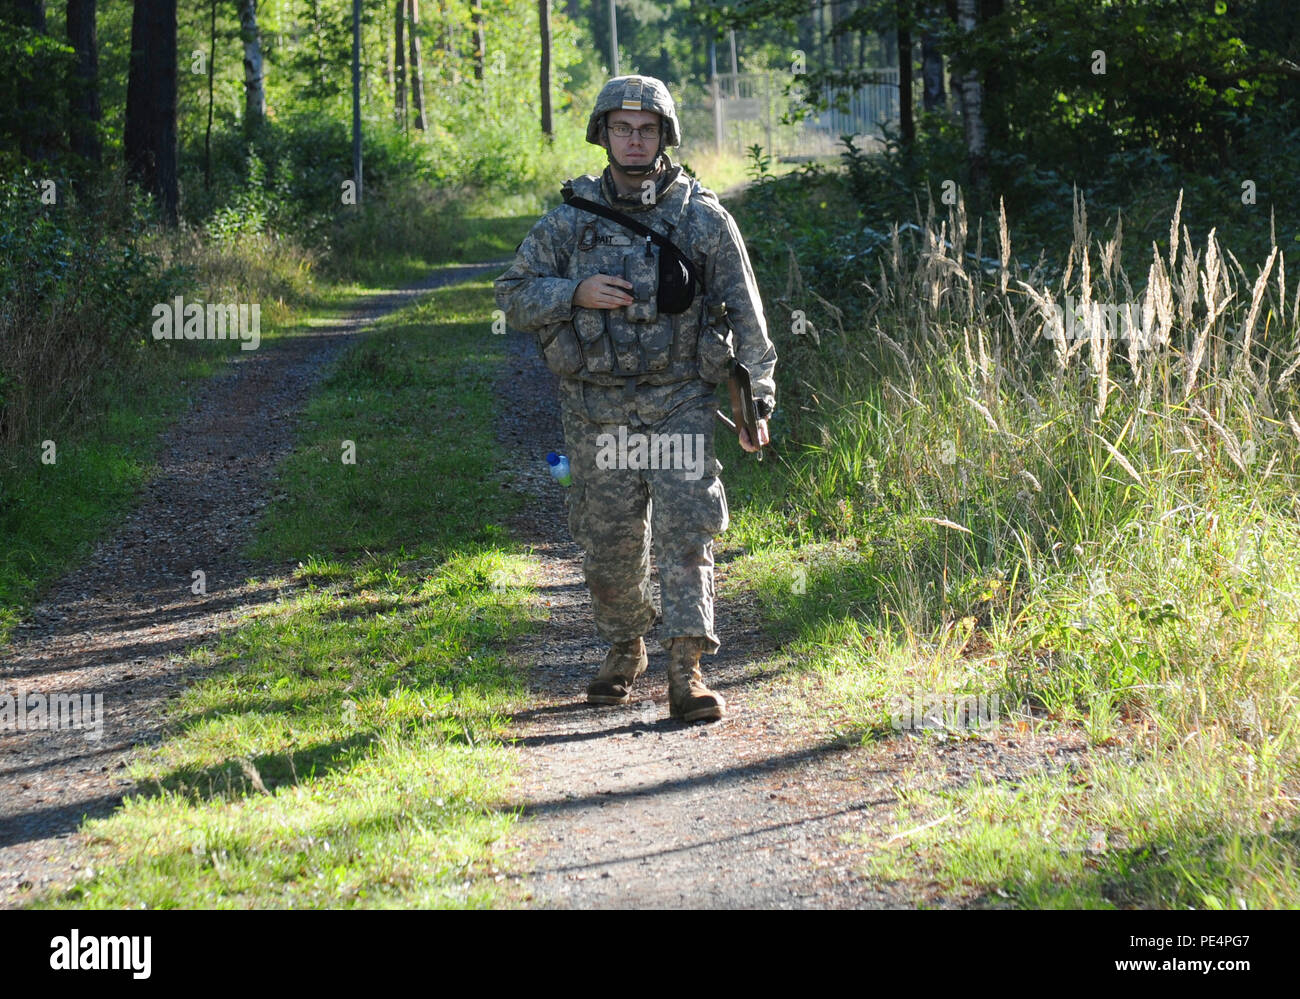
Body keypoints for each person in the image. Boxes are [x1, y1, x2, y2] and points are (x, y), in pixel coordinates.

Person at [495, 75, 776, 722]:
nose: (632, 139)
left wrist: (755, 401)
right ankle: (625, 647)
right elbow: (512, 292)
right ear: (602, 133)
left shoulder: (702, 219)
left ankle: (688, 669)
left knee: (687, 532)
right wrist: (573, 292)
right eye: (621, 127)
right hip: (596, 409)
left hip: (679, 399)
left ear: (664, 137)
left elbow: (750, 321)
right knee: (610, 545)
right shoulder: (570, 221)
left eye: (645, 129)